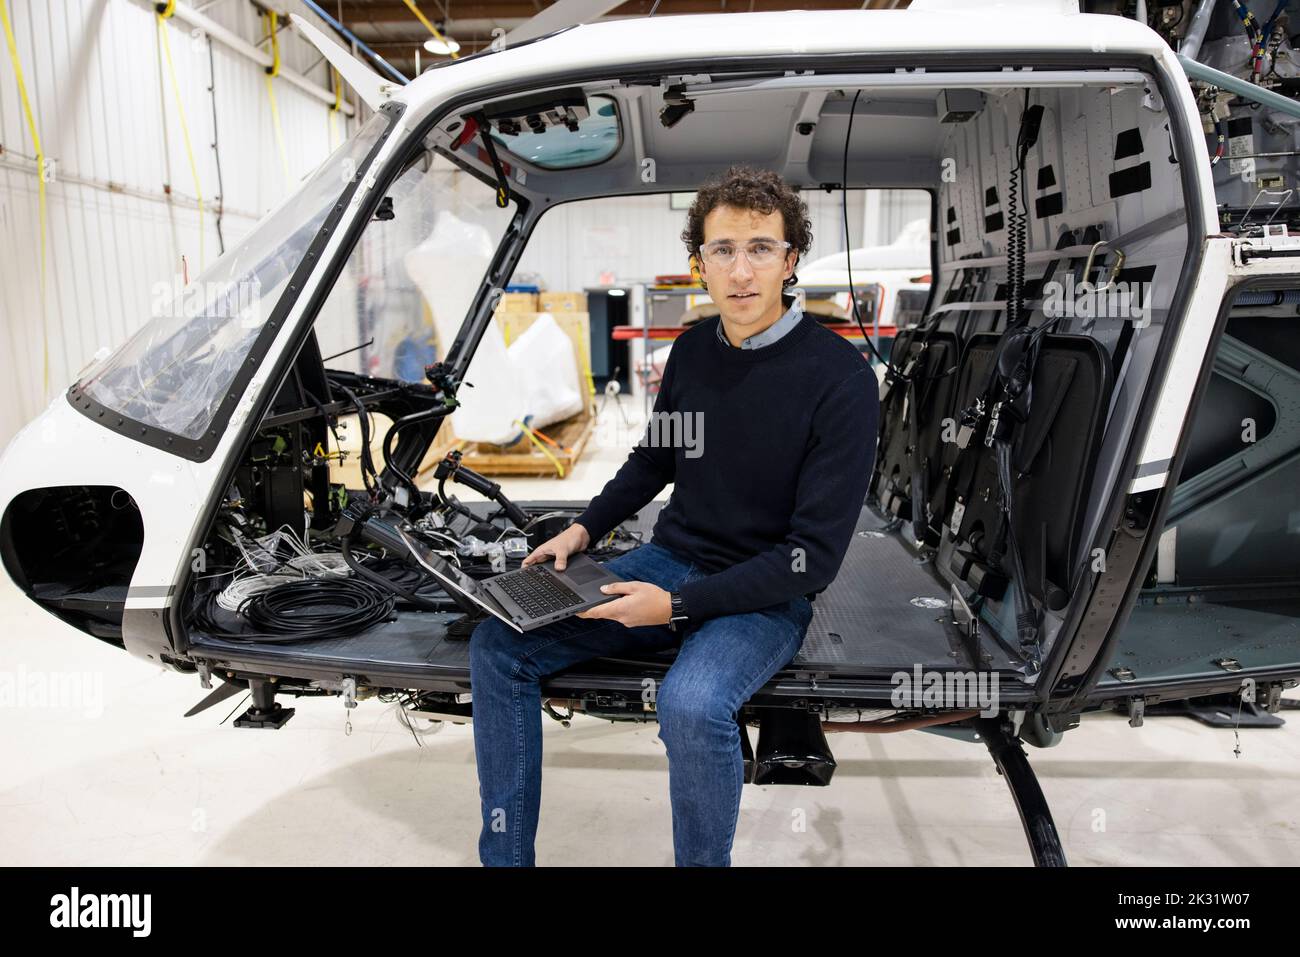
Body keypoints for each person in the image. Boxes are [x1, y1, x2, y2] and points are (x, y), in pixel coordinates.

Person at [469, 164, 879, 866]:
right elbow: (655, 461)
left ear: (791, 260)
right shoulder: (692, 351)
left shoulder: (840, 379)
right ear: (699, 264)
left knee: (691, 706)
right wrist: (582, 528)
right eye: (723, 250)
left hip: (765, 592)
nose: (741, 270)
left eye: (760, 248)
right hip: (669, 560)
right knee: (498, 646)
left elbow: (811, 556)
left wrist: (676, 606)